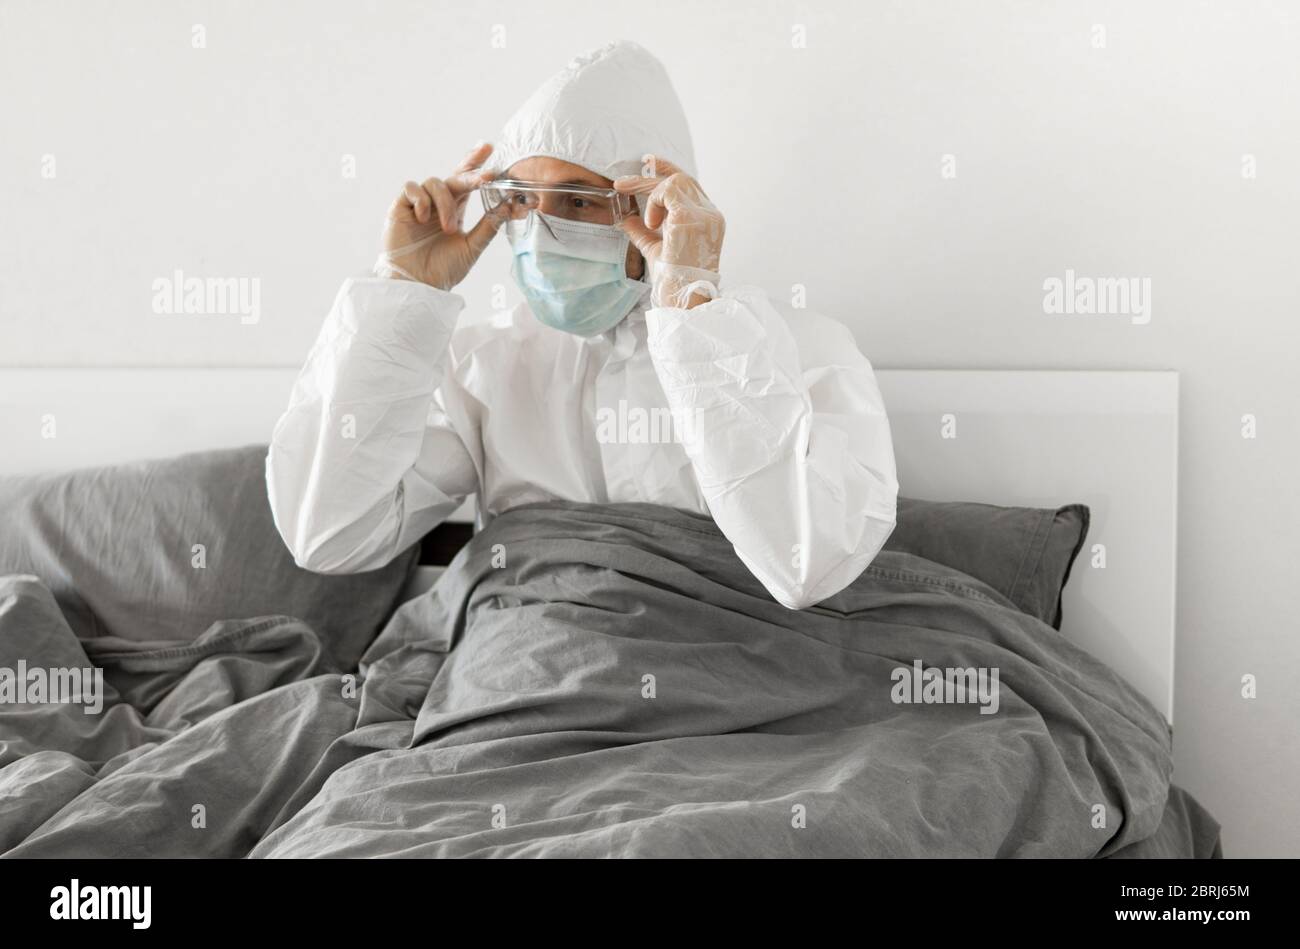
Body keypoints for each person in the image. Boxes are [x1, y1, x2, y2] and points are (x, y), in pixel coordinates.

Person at [266, 40, 897, 610]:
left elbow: (809, 564)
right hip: (528, 684)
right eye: (520, 200)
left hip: (724, 685)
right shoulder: (485, 366)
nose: (542, 233)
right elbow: (329, 536)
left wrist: (695, 312)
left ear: (657, 204)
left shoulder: (802, 348)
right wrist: (404, 294)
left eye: (578, 202)